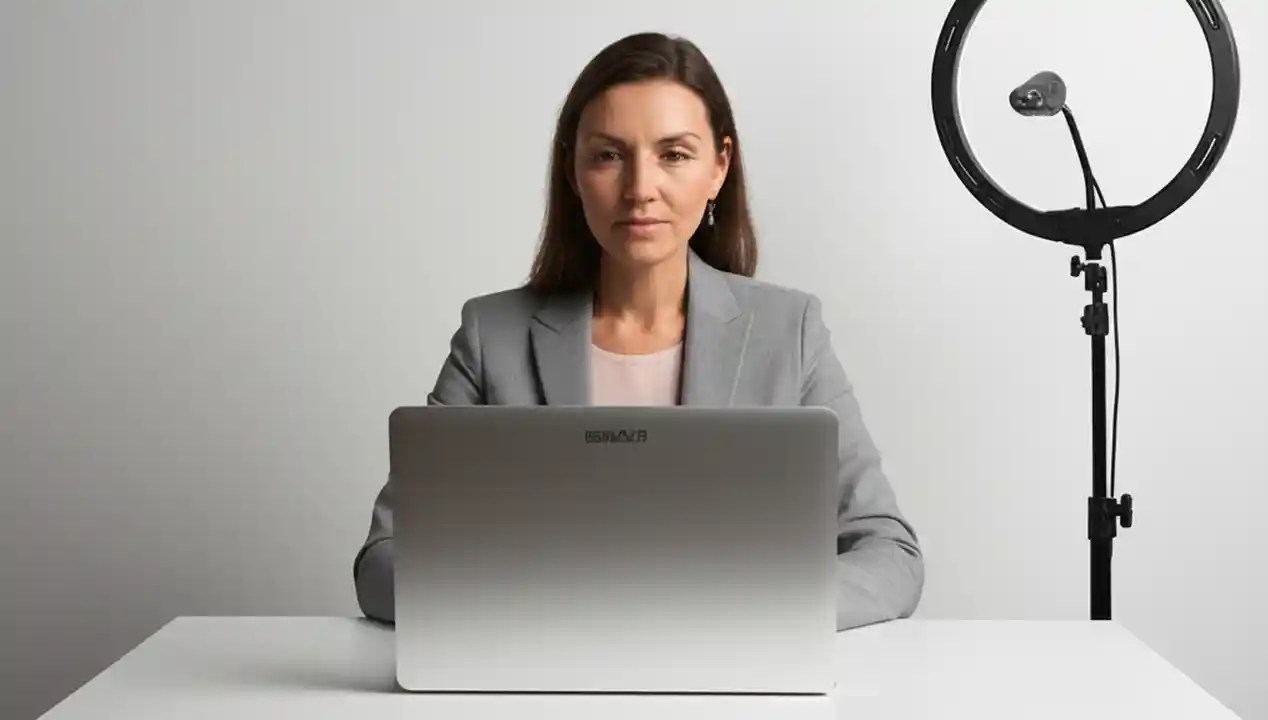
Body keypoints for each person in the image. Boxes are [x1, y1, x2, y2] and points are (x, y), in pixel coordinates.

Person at [353, 31, 924, 631]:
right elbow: (383, 563)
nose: (639, 188)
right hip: (541, 677)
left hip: (731, 679)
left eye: (674, 154)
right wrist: (531, 605)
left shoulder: (791, 331)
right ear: (573, 171)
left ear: (718, 167)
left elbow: (890, 555)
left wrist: (749, 611)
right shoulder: (490, 336)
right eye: (608, 155)